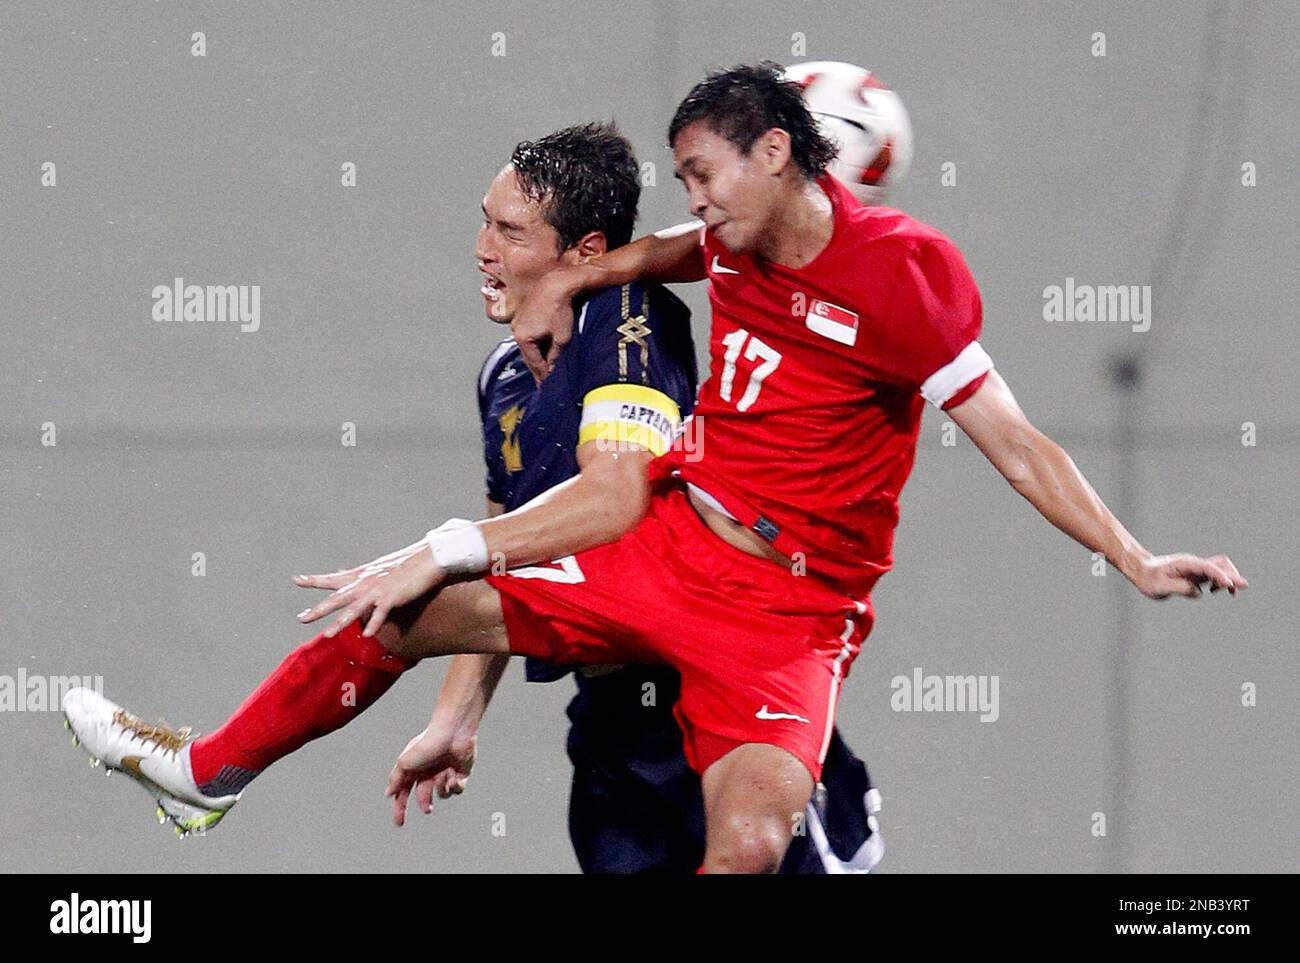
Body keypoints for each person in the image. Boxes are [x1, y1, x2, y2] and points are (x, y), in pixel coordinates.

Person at [66, 65, 1245, 873]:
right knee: (408, 603)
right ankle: (204, 775)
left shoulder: (898, 276)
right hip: (674, 557)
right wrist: (593, 272)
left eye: (705, 172)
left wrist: (1130, 557)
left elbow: (1017, 441)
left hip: (787, 612)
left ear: (781, 154)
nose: (694, 201)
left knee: (748, 847)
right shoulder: (679, 269)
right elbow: (680, 257)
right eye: (680, 179)